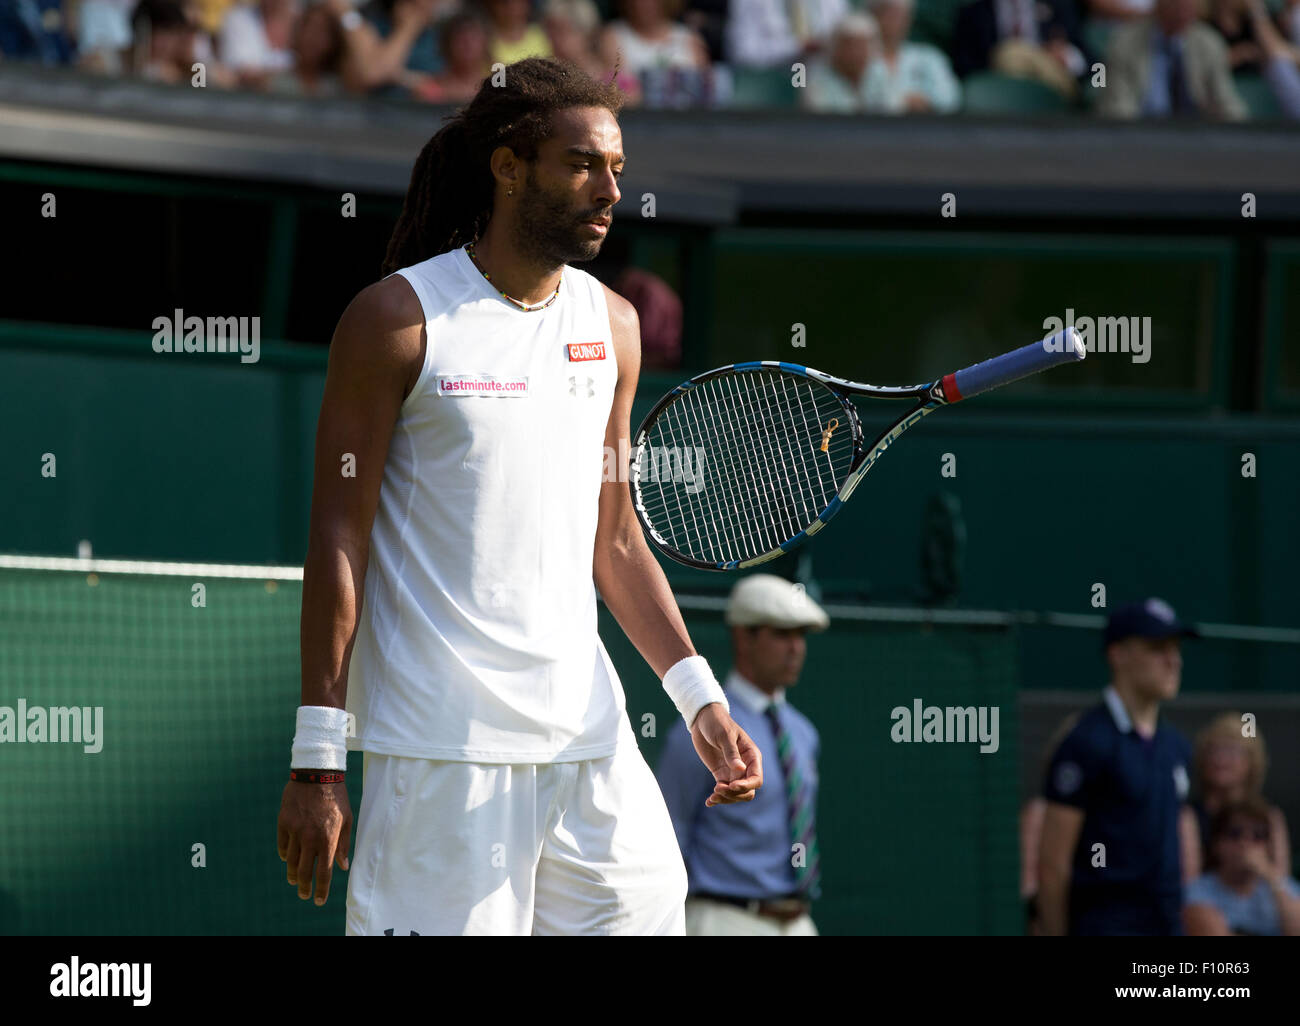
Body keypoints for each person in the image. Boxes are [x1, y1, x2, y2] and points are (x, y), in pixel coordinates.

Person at [276, 57, 763, 937]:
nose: (609, 190)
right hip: (441, 751)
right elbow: (337, 538)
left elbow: (614, 542)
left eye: (618, 169)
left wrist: (701, 700)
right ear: (509, 167)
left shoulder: (614, 325)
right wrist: (318, 760)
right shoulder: (395, 321)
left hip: (591, 740)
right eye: (582, 165)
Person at [656, 574, 829, 936]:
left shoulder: (803, 732)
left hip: (798, 921)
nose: (795, 648)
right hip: (723, 918)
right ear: (743, 637)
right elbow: (671, 834)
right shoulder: (702, 730)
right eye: (781, 634)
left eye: (801, 635)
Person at [1037, 597, 1201, 935]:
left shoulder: (1176, 747)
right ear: (1118, 655)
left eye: (1175, 649)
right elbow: (1053, 865)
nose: (1173, 661)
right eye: (1157, 648)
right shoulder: (1087, 742)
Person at [1099, 0, 1248, 118]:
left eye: (1189, 6)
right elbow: (1117, 108)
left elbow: (1226, 101)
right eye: (1177, 4)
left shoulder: (1209, 44)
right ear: (1159, 5)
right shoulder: (1125, 43)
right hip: (1141, 135)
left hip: (1197, 138)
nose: (1182, 11)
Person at [1190, 711, 1291, 877]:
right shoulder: (1189, 816)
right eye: (1214, 750)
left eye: (1232, 751)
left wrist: (1261, 867)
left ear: (1252, 761)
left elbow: (1282, 883)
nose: (1220, 759)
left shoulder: (1269, 817)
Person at [1184, 798, 1300, 935]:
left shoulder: (1285, 887)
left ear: (1268, 846)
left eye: (1258, 835)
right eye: (1235, 833)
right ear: (1216, 844)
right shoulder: (1198, 891)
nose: (1246, 842)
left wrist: (1272, 878)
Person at [950, 0, 1091, 99]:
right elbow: (964, 67)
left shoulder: (1058, 6)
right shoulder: (974, 13)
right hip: (999, 88)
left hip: (1053, 82)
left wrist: (1067, 56)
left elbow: (1090, 59)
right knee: (1011, 54)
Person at [861, 0, 962, 113]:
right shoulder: (857, 57)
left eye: (899, 16)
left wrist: (925, 101)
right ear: (872, 16)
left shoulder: (930, 57)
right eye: (886, 13)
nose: (893, 22)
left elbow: (950, 99)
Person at [800, 11, 880, 113]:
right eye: (849, 46)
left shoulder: (878, 74)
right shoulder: (816, 83)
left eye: (862, 47)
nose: (856, 53)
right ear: (835, 49)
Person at [409, 7, 491, 101]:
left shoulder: (498, 89)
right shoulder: (427, 91)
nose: (468, 44)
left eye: (474, 37)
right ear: (447, 45)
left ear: (486, 43)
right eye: (460, 38)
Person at [482, 0, 552, 63]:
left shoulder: (541, 34)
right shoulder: (485, 40)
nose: (512, 7)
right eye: (504, 2)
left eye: (517, 1)